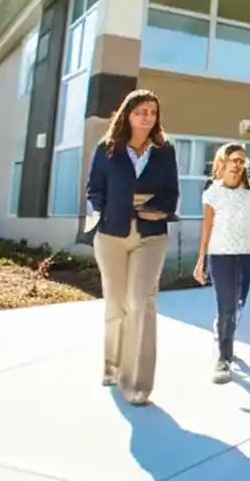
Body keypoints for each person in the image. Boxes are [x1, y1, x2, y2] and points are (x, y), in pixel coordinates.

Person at [86, 89, 179, 406]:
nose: (147, 117)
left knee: (140, 302)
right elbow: (94, 189)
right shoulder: (108, 149)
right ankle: (112, 367)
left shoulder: (165, 152)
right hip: (112, 233)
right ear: (127, 114)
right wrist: (107, 212)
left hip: (151, 234)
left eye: (152, 111)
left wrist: (161, 209)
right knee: (116, 304)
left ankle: (138, 383)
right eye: (140, 111)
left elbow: (171, 193)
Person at [193, 143, 250, 383]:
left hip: (246, 254)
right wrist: (201, 260)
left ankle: (223, 329)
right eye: (234, 160)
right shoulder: (213, 193)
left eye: (242, 161)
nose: (239, 165)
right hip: (220, 256)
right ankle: (223, 358)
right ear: (222, 163)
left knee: (238, 303)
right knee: (227, 307)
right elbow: (207, 228)